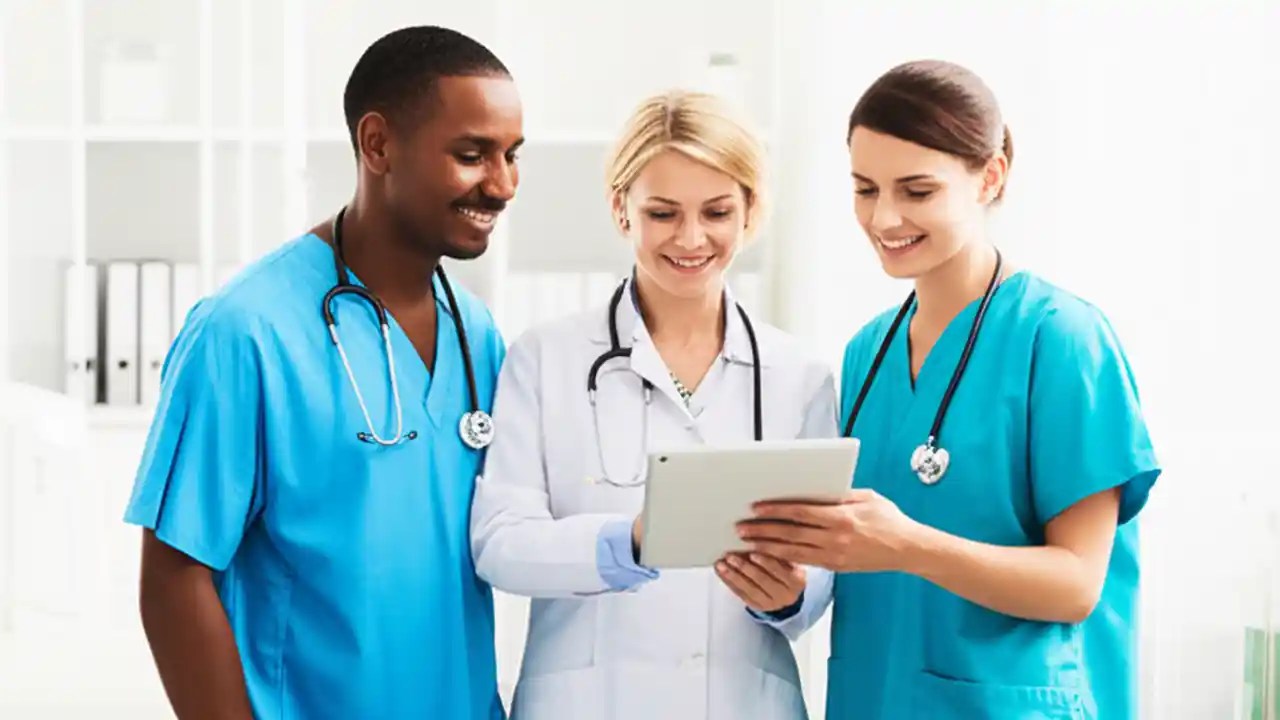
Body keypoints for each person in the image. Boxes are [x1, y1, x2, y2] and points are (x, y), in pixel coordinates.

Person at [740, 60, 1161, 720]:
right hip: (875, 698)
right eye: (864, 188)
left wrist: (908, 545)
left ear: (990, 176)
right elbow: (858, 558)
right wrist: (786, 583)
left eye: (917, 191)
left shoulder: (1062, 340)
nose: (884, 217)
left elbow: (1077, 583)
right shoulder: (867, 353)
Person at [122, 26, 522, 719]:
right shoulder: (245, 331)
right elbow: (174, 577)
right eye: (471, 155)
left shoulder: (475, 333)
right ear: (377, 144)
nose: (503, 184)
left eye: (513, 156)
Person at [469, 90, 837, 720]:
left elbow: (821, 562)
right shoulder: (545, 356)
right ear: (622, 210)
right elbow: (500, 543)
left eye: (717, 211)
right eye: (663, 213)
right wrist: (629, 542)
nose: (691, 238)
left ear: (750, 211)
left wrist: (789, 595)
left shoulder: (799, 375)